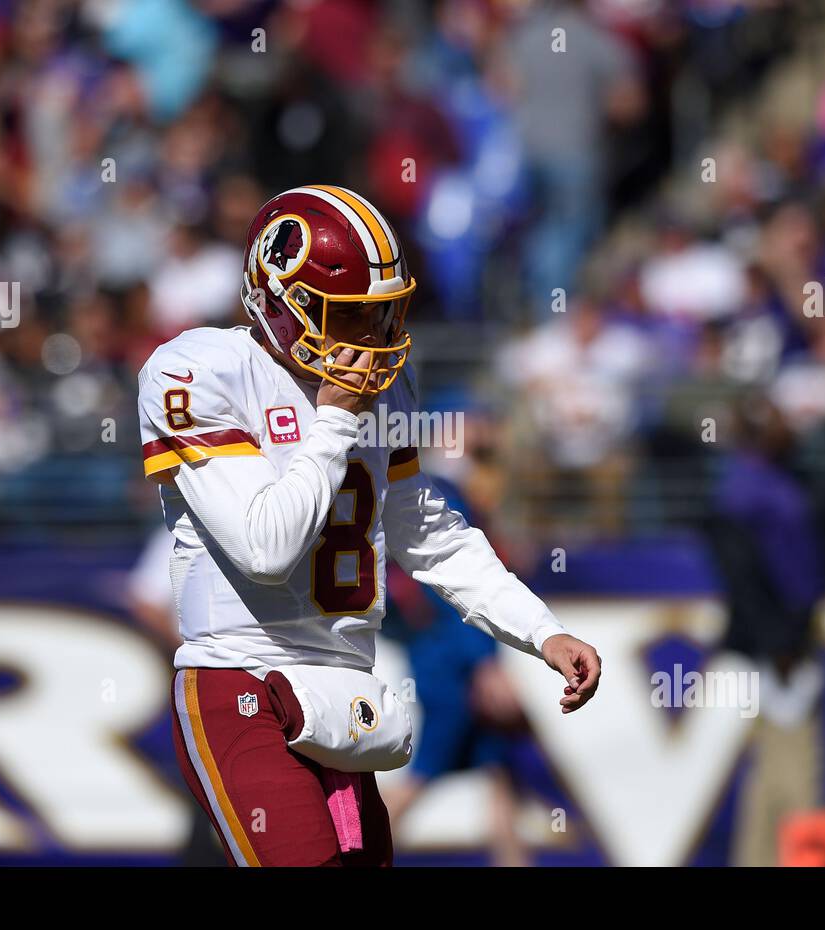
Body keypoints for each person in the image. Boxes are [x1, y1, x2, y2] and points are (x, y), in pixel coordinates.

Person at [136, 185, 601, 867]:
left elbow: (428, 532)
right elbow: (265, 548)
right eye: (351, 316)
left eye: (384, 315)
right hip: (242, 679)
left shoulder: (384, 389)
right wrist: (333, 420)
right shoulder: (201, 370)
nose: (374, 339)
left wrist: (541, 630)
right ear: (282, 301)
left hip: (341, 688)